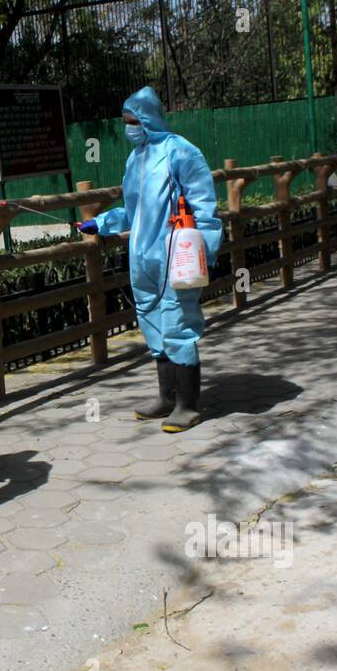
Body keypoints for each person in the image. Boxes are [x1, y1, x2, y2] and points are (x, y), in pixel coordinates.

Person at [77, 86, 222, 431]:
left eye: (133, 121)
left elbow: (204, 206)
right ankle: (167, 397)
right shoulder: (136, 158)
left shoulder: (181, 152)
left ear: (147, 119)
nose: (129, 128)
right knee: (152, 325)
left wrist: (206, 252)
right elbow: (133, 210)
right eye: (126, 122)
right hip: (142, 259)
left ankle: (188, 405)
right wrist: (103, 222)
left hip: (178, 255)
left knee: (177, 325)